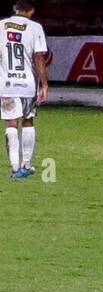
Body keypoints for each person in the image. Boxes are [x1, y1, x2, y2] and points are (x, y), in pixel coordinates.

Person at [0, 1, 47, 181]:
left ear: (15, 9)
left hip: (6, 83)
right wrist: (44, 84)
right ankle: (26, 165)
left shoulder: (1, 26)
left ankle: (15, 167)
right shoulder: (35, 27)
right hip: (27, 84)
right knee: (28, 120)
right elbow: (39, 57)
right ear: (31, 10)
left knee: (11, 124)